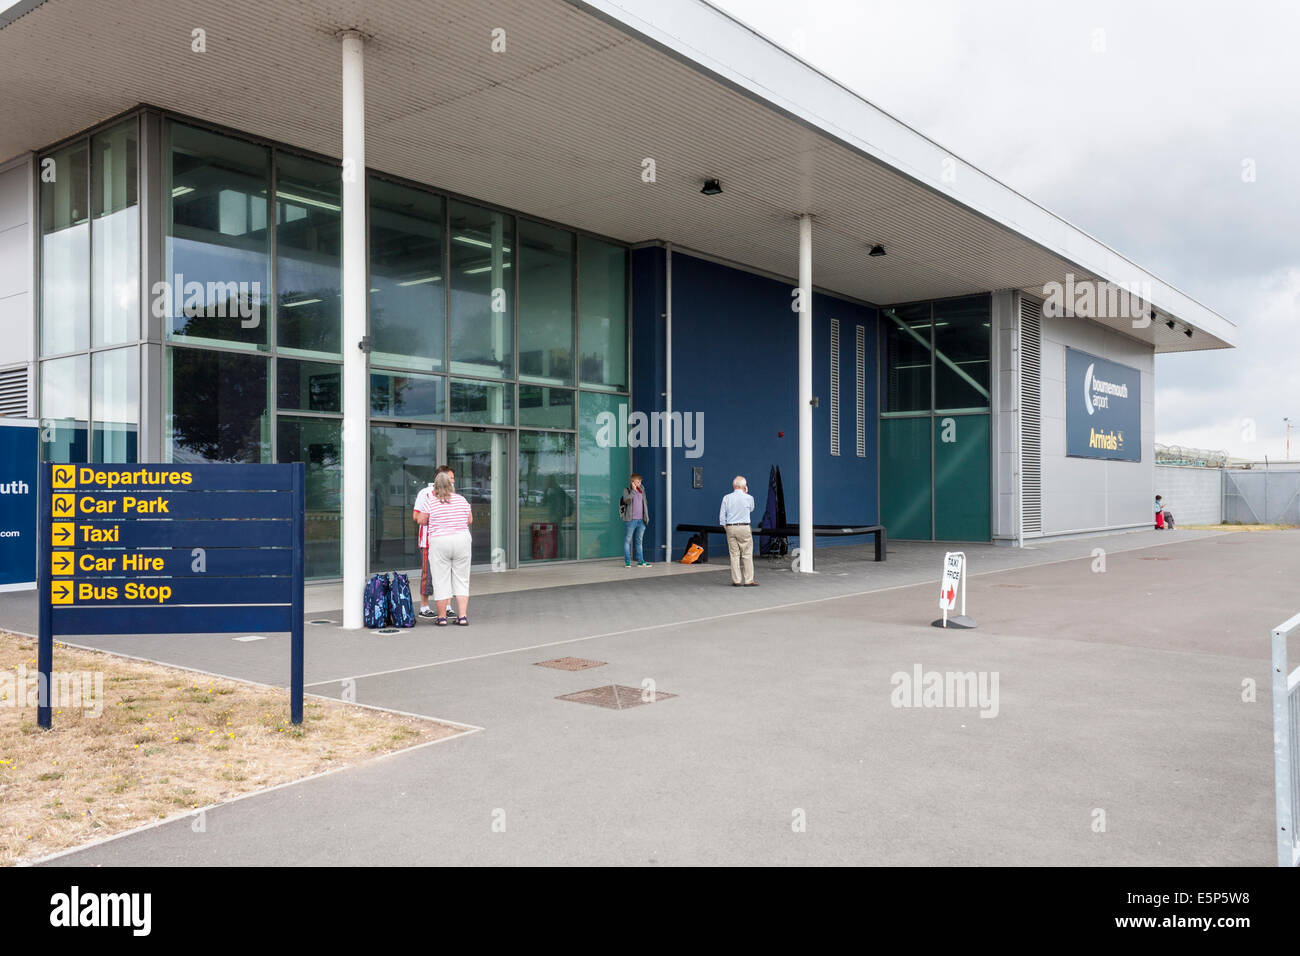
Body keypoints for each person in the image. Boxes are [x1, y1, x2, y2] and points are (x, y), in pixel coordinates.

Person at [421, 471, 473, 625]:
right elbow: (469, 519)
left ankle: (442, 617)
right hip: (462, 540)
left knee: (440, 579)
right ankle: (462, 617)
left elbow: (422, 520)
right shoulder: (461, 500)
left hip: (440, 541)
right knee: (462, 579)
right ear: (451, 485)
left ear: (435, 487)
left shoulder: (430, 501)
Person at [413, 465, 454, 618]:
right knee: (428, 575)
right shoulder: (425, 493)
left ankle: (447, 605)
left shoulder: (453, 495)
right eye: (450, 478)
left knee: (447, 574)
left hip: (447, 540)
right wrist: (436, 517)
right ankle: (424, 607)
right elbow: (416, 517)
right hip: (429, 541)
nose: (453, 481)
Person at [719, 475, 757, 587]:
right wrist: (746, 493)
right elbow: (751, 509)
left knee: (734, 555)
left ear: (733, 485)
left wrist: (726, 527)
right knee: (747, 554)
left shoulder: (726, 497)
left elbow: (722, 515)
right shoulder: (749, 497)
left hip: (731, 527)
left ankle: (736, 580)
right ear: (745, 486)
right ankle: (749, 580)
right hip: (744, 527)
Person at [618, 473, 650, 567]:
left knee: (639, 541)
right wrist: (633, 491)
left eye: (640, 482)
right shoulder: (626, 490)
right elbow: (626, 500)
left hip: (641, 520)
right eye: (637, 482)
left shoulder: (642, 490)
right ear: (632, 482)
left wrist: (646, 518)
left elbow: (645, 504)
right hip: (631, 520)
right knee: (627, 541)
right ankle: (627, 562)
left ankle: (641, 561)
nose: (639, 483)